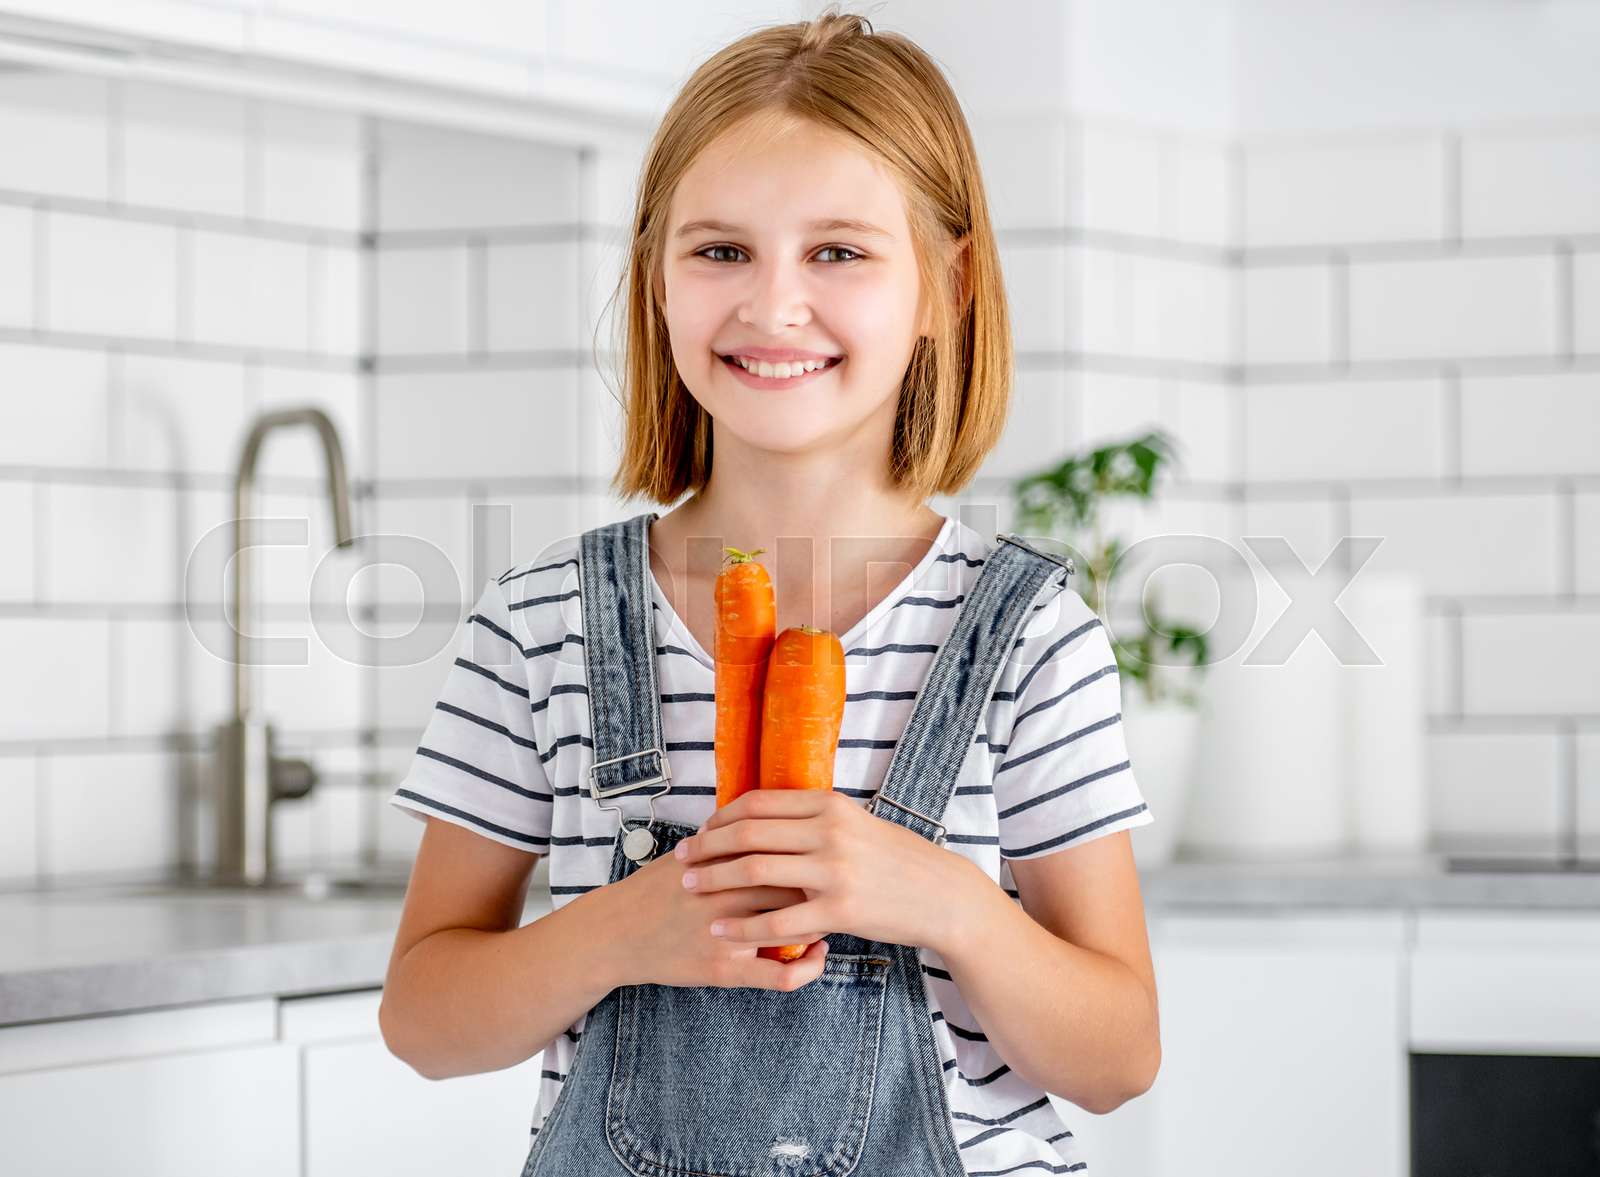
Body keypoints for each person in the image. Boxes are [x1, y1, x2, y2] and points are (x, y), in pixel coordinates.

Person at [378, 7, 1161, 1174]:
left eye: (837, 251)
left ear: (946, 284)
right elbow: (424, 1021)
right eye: (720, 249)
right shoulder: (541, 622)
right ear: (655, 274)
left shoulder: (1023, 633)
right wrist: (614, 933)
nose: (772, 304)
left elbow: (1116, 1057)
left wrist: (947, 902)